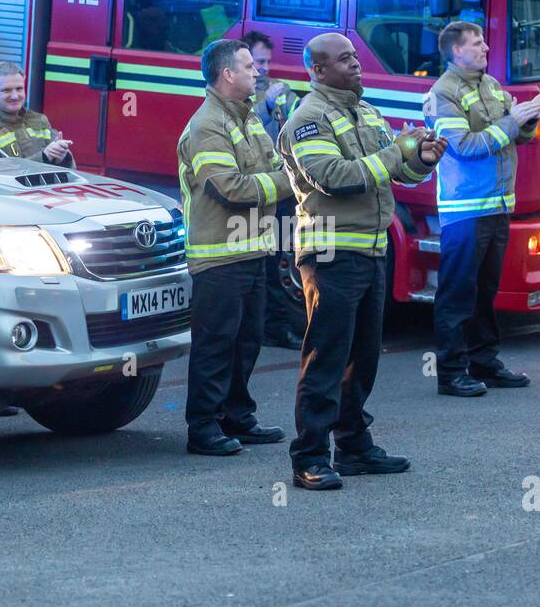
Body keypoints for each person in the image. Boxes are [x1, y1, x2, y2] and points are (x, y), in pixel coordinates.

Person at [277, 32, 446, 491]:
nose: (356, 64)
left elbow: (393, 174)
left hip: (371, 250)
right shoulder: (307, 119)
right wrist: (397, 151)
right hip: (331, 253)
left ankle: (352, 446)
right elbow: (335, 178)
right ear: (317, 69)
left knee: (363, 357)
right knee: (327, 356)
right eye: (345, 59)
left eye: (355, 57)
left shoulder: (366, 111)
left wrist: (423, 161)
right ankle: (309, 457)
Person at [424, 21, 540, 397]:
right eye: (476, 43)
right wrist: (513, 119)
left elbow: (516, 134)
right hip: (465, 209)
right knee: (457, 293)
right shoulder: (441, 95)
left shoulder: (491, 85)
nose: (485, 48)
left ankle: (484, 361)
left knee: (485, 291)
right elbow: (465, 147)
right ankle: (450, 372)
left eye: (484, 41)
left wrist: (531, 116)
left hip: (497, 205)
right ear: (455, 52)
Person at [177, 38, 294, 456]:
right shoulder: (208, 124)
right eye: (248, 66)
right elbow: (230, 188)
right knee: (216, 344)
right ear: (227, 74)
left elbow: (271, 166)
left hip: (253, 249)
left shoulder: (248, 117)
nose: (257, 72)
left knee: (247, 341)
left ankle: (237, 417)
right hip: (218, 256)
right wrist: (291, 183)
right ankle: (203, 428)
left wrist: (283, 175)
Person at [244, 31, 303, 350]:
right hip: (254, 191)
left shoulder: (278, 90)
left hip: (279, 190)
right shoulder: (239, 94)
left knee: (277, 257)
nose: (264, 68)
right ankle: (268, 328)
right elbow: (246, 130)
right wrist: (266, 105)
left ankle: (276, 327)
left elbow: (296, 122)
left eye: (267, 61)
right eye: (257, 62)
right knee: (260, 265)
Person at [0, 61, 74, 166]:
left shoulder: (39, 120)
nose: (15, 96)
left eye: (19, 89)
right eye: (7, 90)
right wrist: (43, 157)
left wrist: (61, 158)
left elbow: (69, 170)